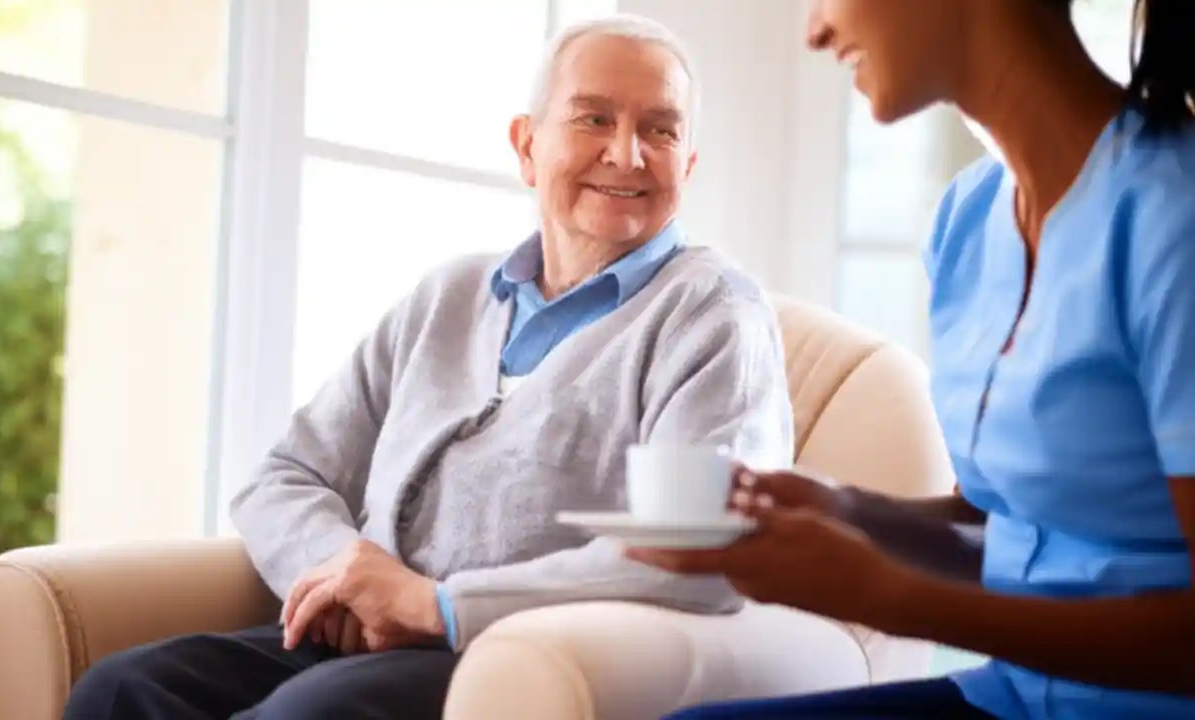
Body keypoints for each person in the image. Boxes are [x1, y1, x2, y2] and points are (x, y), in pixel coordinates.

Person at [62, 14, 794, 720]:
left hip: (519, 660)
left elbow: (699, 551)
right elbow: (286, 475)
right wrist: (351, 582)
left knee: (309, 714)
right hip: (356, 644)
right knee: (123, 692)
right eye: (594, 118)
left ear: (687, 164)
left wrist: (435, 606)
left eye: (659, 130)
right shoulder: (448, 296)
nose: (627, 153)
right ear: (526, 145)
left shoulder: (714, 315)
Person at [628, 0, 1195, 718]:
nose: (815, 30)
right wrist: (848, 510)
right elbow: (1020, 531)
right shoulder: (970, 219)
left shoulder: (1172, 219)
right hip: (1014, 698)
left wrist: (891, 598)